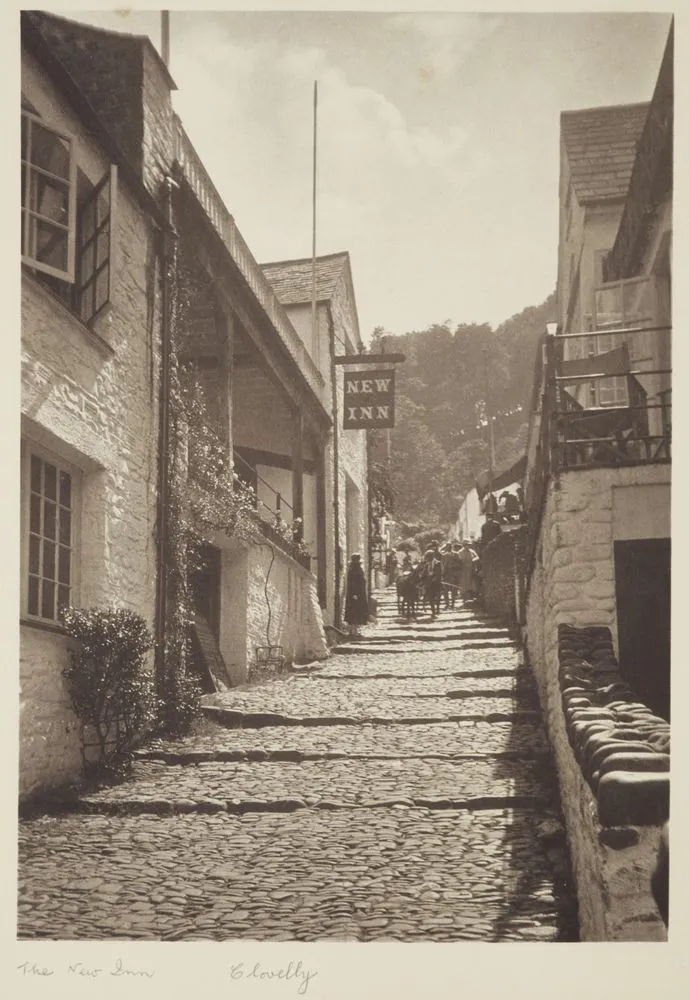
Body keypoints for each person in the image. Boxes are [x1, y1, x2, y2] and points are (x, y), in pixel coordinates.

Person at [344, 554, 368, 636]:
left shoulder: (357, 569)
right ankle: (353, 631)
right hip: (356, 594)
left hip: (359, 594)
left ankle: (354, 630)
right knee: (354, 611)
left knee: (357, 611)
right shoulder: (353, 570)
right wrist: (354, 594)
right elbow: (352, 583)